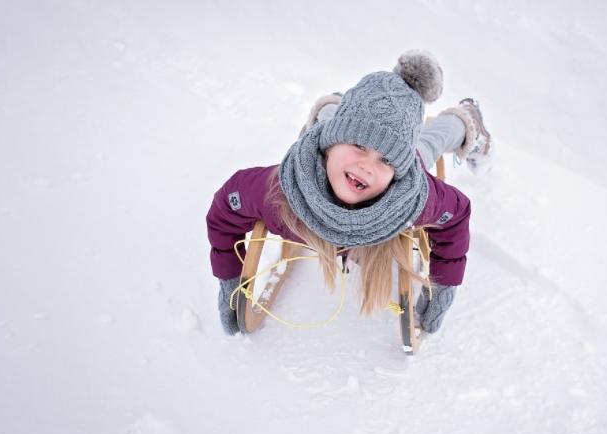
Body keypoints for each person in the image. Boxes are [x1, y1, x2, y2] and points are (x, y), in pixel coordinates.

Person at [206, 50, 493, 335]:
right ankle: (332, 109)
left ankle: (465, 119)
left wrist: (443, 284)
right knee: (330, 122)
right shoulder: (281, 192)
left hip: (404, 161)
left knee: (428, 144)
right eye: (359, 146)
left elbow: (456, 213)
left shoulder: (411, 198)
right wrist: (230, 278)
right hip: (332, 142)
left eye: (385, 160)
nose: (367, 166)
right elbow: (227, 207)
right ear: (329, 145)